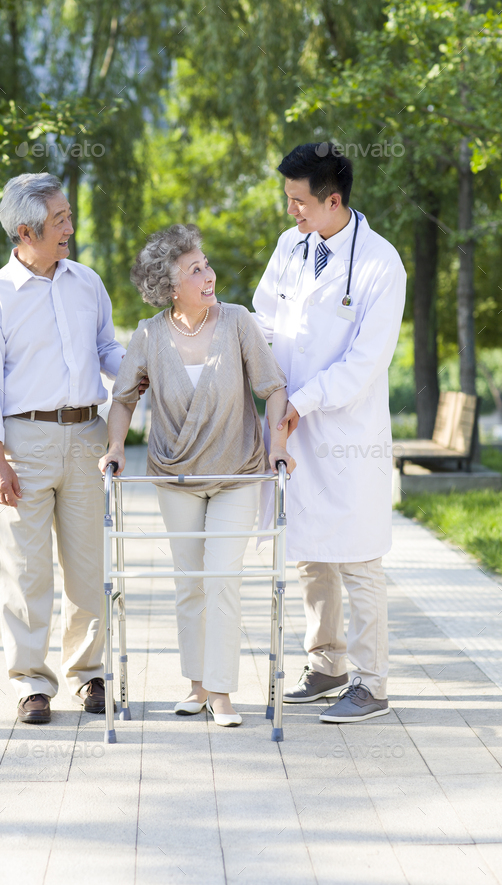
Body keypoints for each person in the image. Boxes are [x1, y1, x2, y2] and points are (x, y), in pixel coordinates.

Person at [99, 224, 295, 727]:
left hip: (236, 469)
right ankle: (197, 686)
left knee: (222, 578)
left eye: (205, 265)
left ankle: (224, 693)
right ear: (170, 287)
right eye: (195, 270)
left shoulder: (238, 323)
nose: (208, 276)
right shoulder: (148, 333)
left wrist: (278, 444)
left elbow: (272, 387)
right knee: (189, 582)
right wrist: (116, 446)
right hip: (174, 473)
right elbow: (123, 398)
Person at [0, 172, 138, 725]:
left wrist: (142, 370)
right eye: (60, 219)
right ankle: (31, 684)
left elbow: (108, 348)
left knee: (89, 566)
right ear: (26, 231)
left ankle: (89, 675)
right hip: (25, 443)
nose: (71, 226)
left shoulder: (86, 282)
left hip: (88, 435)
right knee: (26, 570)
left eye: (67, 215)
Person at [253, 143, 406, 723]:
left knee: (359, 557)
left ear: (333, 200)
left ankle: (373, 683)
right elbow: (265, 317)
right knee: (309, 554)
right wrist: (267, 384)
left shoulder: (379, 264)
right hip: (292, 426)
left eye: (299, 202)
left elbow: (366, 363)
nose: (290, 212)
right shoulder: (294, 245)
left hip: (347, 432)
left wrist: (302, 401)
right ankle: (327, 664)